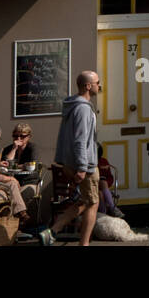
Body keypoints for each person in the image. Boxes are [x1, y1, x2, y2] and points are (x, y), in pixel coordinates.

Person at [40, 71, 102, 246]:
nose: (100, 86)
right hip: (84, 164)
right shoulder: (82, 109)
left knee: (84, 201)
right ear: (88, 86)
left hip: (70, 162)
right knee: (93, 203)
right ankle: (84, 244)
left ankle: (52, 231)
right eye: (98, 82)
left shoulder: (72, 105)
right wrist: (83, 167)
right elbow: (80, 140)